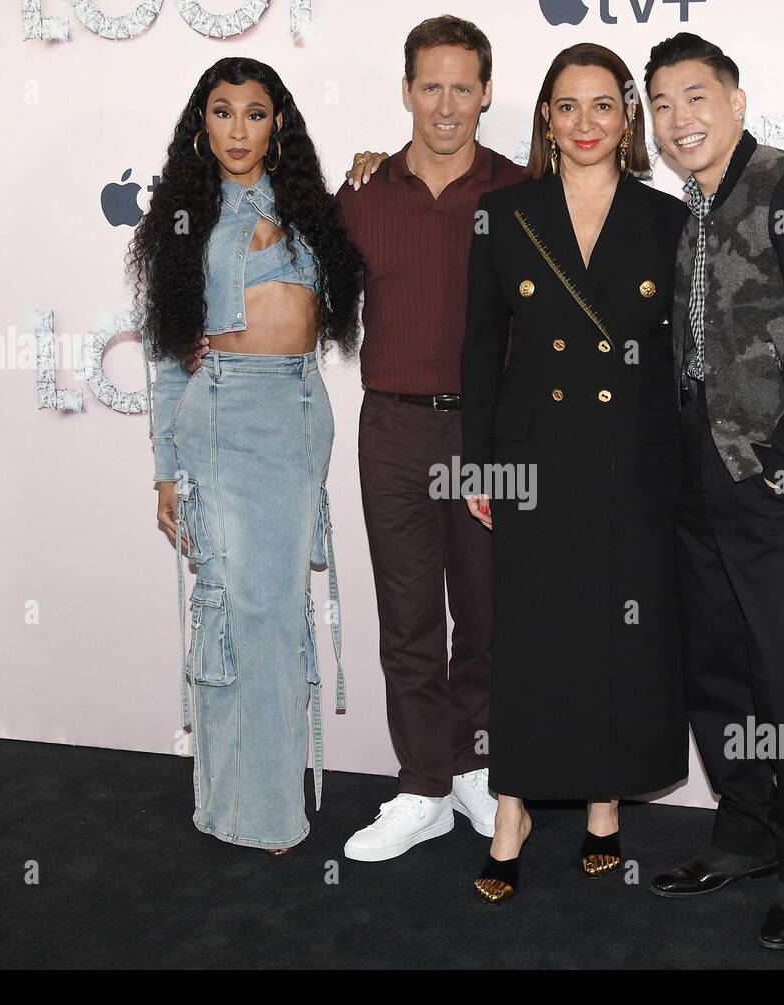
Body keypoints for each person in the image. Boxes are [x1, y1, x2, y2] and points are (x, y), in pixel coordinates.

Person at [643, 33, 784, 948]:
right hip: (696, 477)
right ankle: (742, 832)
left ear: (736, 101)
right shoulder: (688, 207)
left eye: (694, 97)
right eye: (661, 105)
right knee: (717, 669)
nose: (678, 119)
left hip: (773, 480)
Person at [458, 43, 691, 902]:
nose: (585, 123)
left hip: (634, 458)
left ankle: (603, 806)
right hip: (535, 454)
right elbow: (482, 345)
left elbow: (683, 357)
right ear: (544, 120)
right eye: (567, 106)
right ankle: (512, 808)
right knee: (529, 630)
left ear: (627, 117)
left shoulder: (668, 219)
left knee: (620, 634)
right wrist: (478, 461)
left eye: (603, 106)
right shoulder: (502, 211)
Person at [128, 57, 363, 854]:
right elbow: (166, 358)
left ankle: (267, 802)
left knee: (280, 614)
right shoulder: (182, 219)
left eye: (254, 113)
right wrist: (165, 465)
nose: (237, 129)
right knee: (238, 612)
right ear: (202, 126)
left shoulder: (316, 213)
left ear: (278, 125)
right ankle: (242, 809)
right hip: (221, 418)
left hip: (298, 416)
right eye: (222, 112)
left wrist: (369, 173)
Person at [331, 16, 525, 862]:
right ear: (406, 91)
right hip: (395, 429)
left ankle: (476, 768)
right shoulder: (361, 199)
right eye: (430, 86)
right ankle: (421, 787)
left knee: (485, 615)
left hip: (489, 433)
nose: (446, 105)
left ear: (486, 93)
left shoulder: (524, 193)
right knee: (408, 618)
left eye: (462, 87)